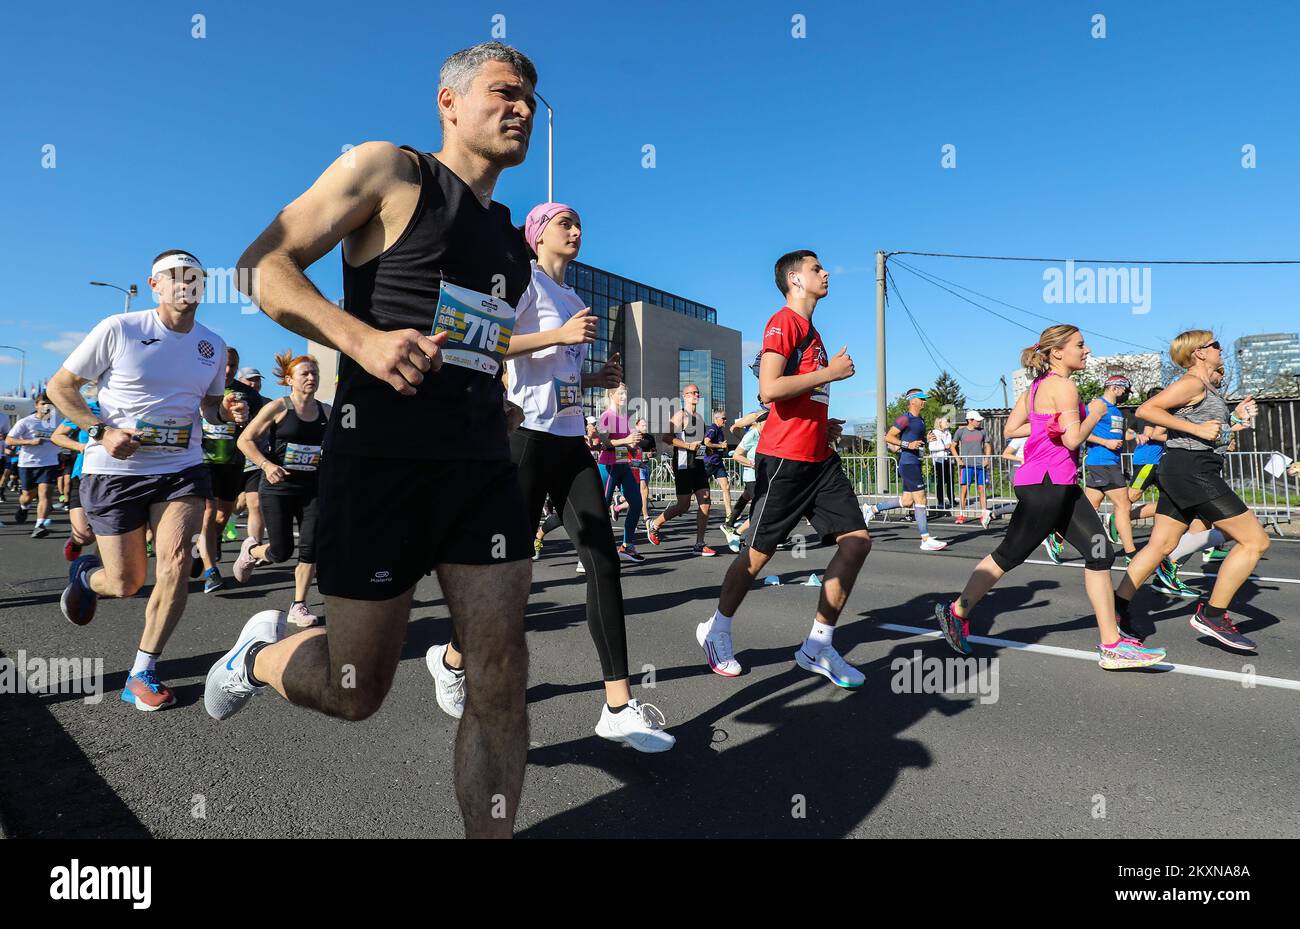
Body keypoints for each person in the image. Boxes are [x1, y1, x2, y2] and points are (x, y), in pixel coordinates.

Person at [205, 42, 541, 837]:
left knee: (500, 673)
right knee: (358, 691)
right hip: (378, 462)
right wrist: (359, 340)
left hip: (480, 470)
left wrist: (493, 397)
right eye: (505, 92)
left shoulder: (510, 244)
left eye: (531, 96)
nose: (523, 107)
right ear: (448, 102)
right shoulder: (391, 170)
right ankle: (257, 652)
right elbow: (263, 265)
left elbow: (471, 339)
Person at [437, 199, 671, 752]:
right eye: (565, 223)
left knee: (603, 561)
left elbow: (558, 371)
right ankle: (451, 658)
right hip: (526, 439)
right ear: (538, 235)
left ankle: (617, 705)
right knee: (504, 572)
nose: (577, 231)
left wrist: (595, 376)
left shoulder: (573, 297)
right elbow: (486, 343)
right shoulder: (523, 284)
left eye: (580, 223)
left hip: (571, 439)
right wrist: (558, 336)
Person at [47, 249, 249, 710]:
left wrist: (227, 412)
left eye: (195, 277)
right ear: (154, 285)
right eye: (175, 277)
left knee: (176, 560)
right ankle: (85, 577)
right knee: (126, 583)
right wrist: (101, 430)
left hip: (181, 467)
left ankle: (143, 670)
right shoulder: (119, 328)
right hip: (114, 470)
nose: (186, 284)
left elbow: (209, 408)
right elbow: (60, 387)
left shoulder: (212, 344)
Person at [933, 324, 1166, 670]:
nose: (1087, 351)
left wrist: (1049, 425)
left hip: (1061, 484)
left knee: (1099, 552)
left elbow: (1014, 429)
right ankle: (956, 611)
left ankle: (1111, 644)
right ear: (1057, 352)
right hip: (1046, 485)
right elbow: (1073, 441)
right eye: (1081, 345)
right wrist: (1095, 414)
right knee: (1008, 555)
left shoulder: (1036, 388)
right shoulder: (1064, 386)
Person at [698, 249, 870, 685]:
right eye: (816, 268)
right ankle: (717, 629)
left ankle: (818, 645)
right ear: (795, 279)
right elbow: (770, 388)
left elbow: (799, 394)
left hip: (819, 460)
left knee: (856, 543)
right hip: (785, 461)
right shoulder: (784, 321)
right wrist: (829, 374)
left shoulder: (812, 330)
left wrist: (821, 419)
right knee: (756, 558)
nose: (826, 272)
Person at [1113, 332, 1267, 651]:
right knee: (1255, 540)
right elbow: (1147, 410)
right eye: (1214, 345)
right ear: (1198, 353)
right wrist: (1196, 429)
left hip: (1185, 468)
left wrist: (1236, 418)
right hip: (1191, 470)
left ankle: (1115, 608)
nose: (1220, 349)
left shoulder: (1205, 387)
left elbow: (1210, 429)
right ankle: (1212, 615)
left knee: (1161, 545)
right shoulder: (1192, 383)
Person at [230, 351, 329, 626]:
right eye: (305, 374)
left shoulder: (326, 411)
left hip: (312, 489)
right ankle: (251, 551)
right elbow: (245, 440)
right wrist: (265, 465)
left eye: (314, 373)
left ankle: (299, 605)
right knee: (281, 552)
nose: (311, 378)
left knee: (311, 549)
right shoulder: (278, 408)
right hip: (278, 488)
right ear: (289, 380)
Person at [194, 346, 267, 593]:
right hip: (202, 460)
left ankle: (204, 548)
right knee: (207, 513)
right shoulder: (199, 385)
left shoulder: (248, 394)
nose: (227, 370)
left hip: (233, 462)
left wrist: (246, 421)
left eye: (233, 366)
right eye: (223, 364)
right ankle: (210, 571)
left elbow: (259, 427)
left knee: (222, 518)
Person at [863, 388, 947, 551]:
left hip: (915, 462)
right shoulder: (904, 418)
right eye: (922, 398)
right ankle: (925, 539)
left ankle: (872, 509)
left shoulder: (920, 420)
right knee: (921, 499)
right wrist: (908, 445)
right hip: (908, 464)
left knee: (908, 501)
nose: (925, 401)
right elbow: (888, 437)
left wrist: (925, 439)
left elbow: (915, 440)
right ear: (913, 400)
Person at [645, 384, 716, 555]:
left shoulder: (699, 418)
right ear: (684, 396)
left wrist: (706, 449)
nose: (695, 395)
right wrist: (687, 445)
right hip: (683, 465)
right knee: (683, 506)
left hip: (698, 464)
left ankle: (700, 543)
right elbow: (666, 438)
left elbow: (698, 444)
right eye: (691, 393)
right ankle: (655, 524)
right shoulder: (680, 415)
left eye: (697, 392)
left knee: (705, 503)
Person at [1082, 375, 1140, 562]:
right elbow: (1080, 431)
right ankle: (1131, 552)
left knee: (1090, 508)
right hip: (1102, 461)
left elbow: (1120, 435)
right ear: (1115, 388)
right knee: (1123, 505)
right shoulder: (1097, 405)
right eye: (1124, 391)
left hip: (1109, 462)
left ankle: (1058, 536)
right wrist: (1105, 442)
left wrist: (1138, 435)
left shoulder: (1115, 410)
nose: (1126, 395)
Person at [51, 384, 103, 561]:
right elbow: (57, 436)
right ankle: (75, 541)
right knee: (83, 535)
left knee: (109, 533)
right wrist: (81, 447)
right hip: (83, 474)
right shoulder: (89, 408)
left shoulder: (134, 408)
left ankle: (97, 569)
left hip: (119, 476)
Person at [596, 383, 647, 564]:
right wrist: (626, 439)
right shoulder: (605, 416)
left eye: (625, 393)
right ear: (611, 395)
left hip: (623, 465)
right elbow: (605, 441)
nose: (624, 397)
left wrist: (633, 445)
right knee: (601, 508)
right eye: (621, 393)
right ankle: (591, 551)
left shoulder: (623, 417)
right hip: (608, 466)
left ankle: (626, 545)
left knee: (637, 503)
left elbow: (624, 444)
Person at [7, 393, 62, 538]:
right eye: (43, 403)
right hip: (28, 464)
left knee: (45, 493)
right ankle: (24, 507)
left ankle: (39, 525)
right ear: (36, 405)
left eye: (49, 403)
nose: (46, 406)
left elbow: (65, 436)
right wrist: (30, 442)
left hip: (50, 463)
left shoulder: (58, 422)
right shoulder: (25, 422)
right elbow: (9, 440)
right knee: (27, 496)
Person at [232, 367, 270, 546]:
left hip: (255, 460)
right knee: (233, 505)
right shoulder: (229, 400)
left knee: (254, 503)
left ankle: (253, 549)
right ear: (240, 381)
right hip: (231, 460)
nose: (254, 383)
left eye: (257, 380)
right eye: (250, 380)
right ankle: (225, 523)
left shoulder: (268, 404)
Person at [721, 412, 765, 551]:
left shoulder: (766, 435)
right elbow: (736, 455)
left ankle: (729, 525)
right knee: (760, 510)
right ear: (757, 422)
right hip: (751, 477)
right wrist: (753, 463)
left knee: (746, 498)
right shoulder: (751, 435)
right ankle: (738, 533)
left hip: (760, 477)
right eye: (767, 423)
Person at [952, 411, 993, 527]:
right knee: (964, 489)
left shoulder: (982, 431)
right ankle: (961, 514)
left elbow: (988, 445)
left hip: (980, 465)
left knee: (982, 489)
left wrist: (987, 458)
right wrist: (958, 459)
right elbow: (952, 446)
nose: (979, 422)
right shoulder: (960, 431)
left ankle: (984, 514)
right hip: (966, 466)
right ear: (970, 420)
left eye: (980, 420)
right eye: (977, 420)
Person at [701, 409, 736, 538]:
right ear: (716, 419)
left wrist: (723, 447)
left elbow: (719, 445)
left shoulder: (720, 430)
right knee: (702, 489)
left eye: (726, 418)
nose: (725, 421)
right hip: (709, 463)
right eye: (723, 418)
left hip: (718, 463)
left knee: (726, 487)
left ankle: (729, 514)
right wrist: (720, 446)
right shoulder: (713, 428)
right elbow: (706, 442)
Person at [929, 415, 956, 511]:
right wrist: (944, 447)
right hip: (939, 459)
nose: (947, 424)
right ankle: (940, 501)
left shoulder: (948, 433)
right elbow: (931, 448)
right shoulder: (934, 433)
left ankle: (952, 499)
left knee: (950, 480)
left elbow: (951, 444)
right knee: (941, 481)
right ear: (940, 423)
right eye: (945, 422)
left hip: (948, 458)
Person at [633, 415, 656, 522]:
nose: (644, 427)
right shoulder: (633, 437)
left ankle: (618, 504)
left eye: (646, 425)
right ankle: (645, 515)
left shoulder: (650, 437)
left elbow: (655, 451)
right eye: (642, 425)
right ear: (637, 426)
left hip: (646, 464)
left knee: (641, 492)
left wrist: (652, 454)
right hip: (635, 465)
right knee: (644, 491)